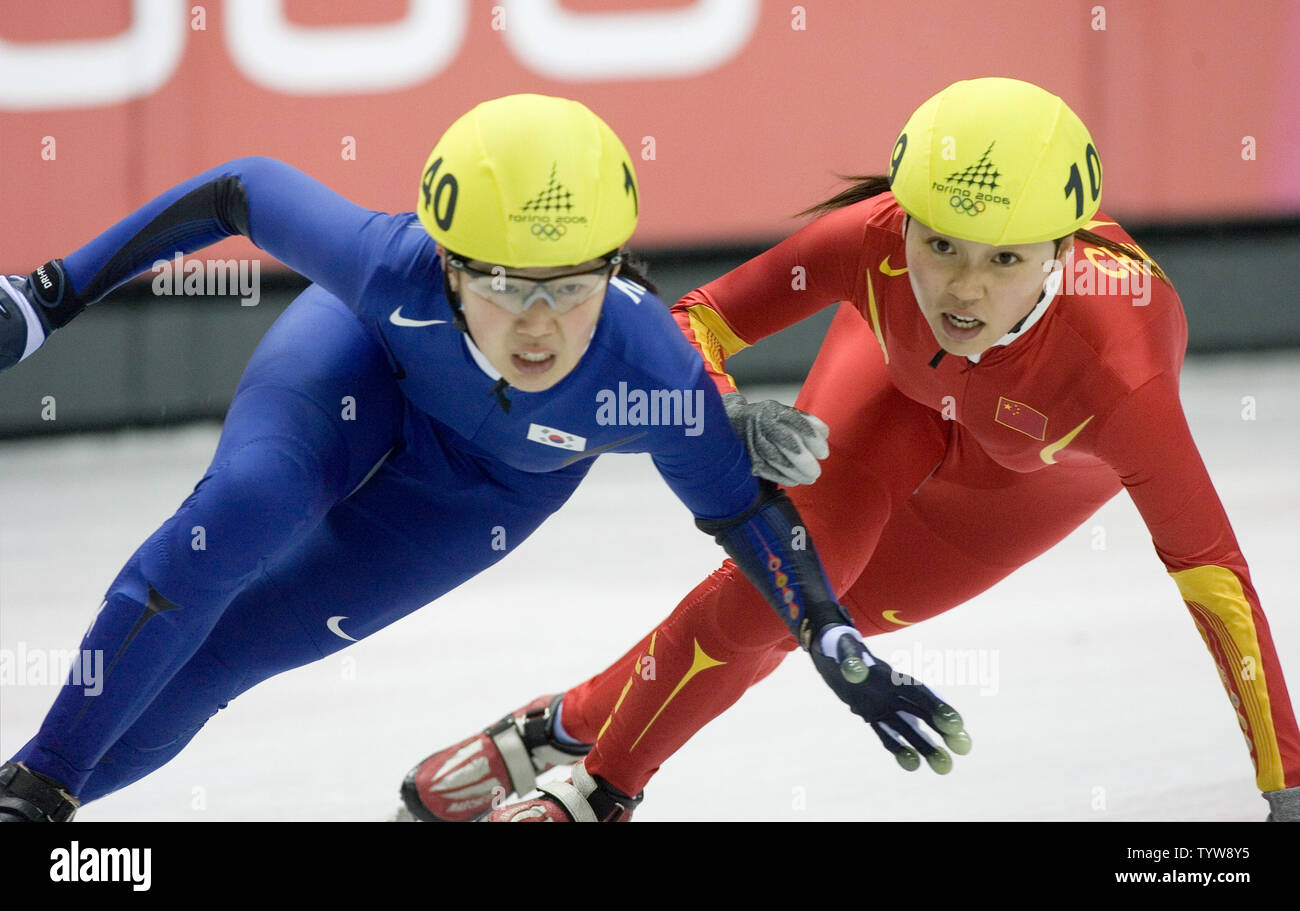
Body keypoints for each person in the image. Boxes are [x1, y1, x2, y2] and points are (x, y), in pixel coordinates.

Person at [0, 93, 972, 823]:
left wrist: (830, 636)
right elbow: (237, 190)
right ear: (450, 264)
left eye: (573, 285)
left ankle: (38, 795)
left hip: (480, 488)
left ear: (613, 267)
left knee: (232, 652)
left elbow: (750, 519)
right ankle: (37, 785)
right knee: (251, 504)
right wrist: (48, 296)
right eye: (507, 285)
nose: (539, 323)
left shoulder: (649, 370)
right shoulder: (391, 266)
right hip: (357, 365)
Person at [399, 77, 1300, 822]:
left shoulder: (1120, 376)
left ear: (1060, 253)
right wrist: (727, 407)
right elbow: (698, 319)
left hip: (1023, 477)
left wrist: (1286, 781)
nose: (964, 289)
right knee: (789, 586)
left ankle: (562, 724)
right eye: (940, 244)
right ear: (902, 220)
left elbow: (1214, 576)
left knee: (822, 618)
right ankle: (596, 792)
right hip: (896, 384)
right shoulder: (870, 242)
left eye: (1004, 260)